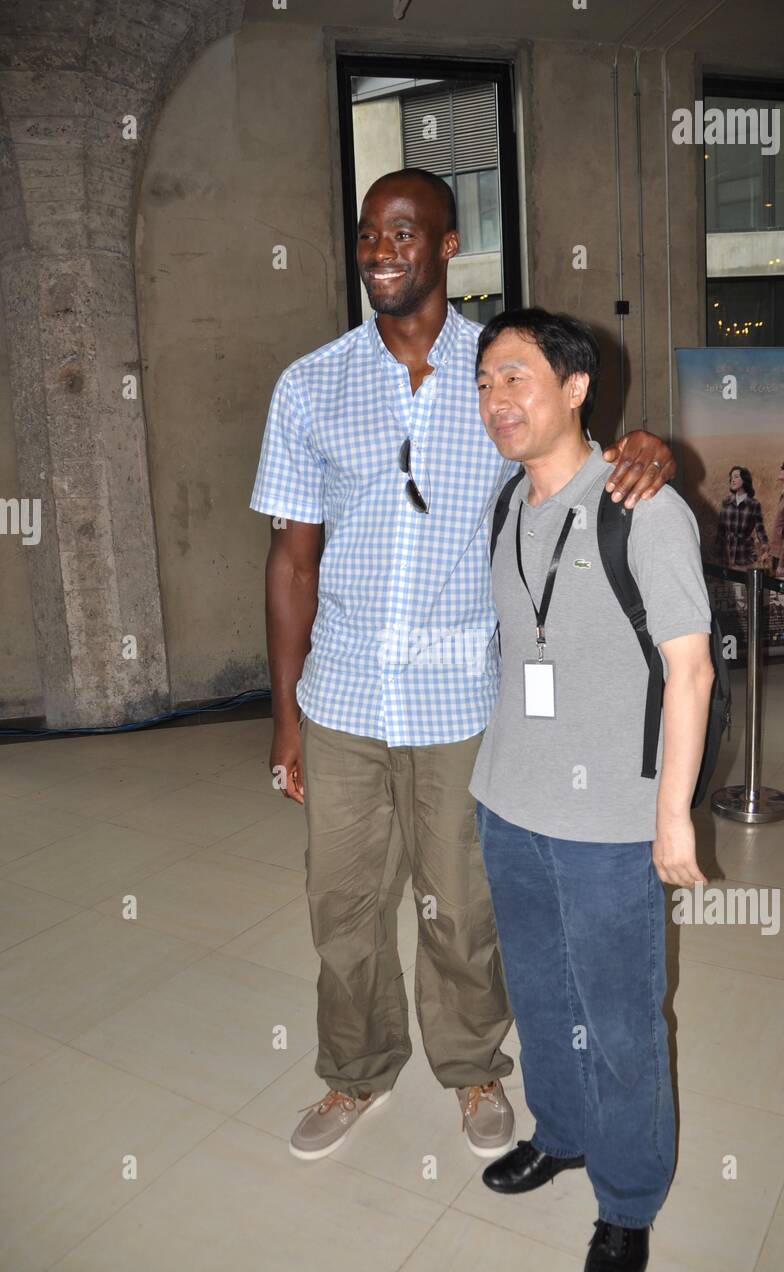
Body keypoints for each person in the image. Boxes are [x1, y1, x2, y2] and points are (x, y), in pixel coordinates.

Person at [249, 167, 678, 1164]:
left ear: (449, 244)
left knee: (461, 903)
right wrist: (283, 716)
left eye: (404, 231)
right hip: (344, 696)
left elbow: (572, 460)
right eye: (367, 234)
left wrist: (641, 447)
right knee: (343, 905)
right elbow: (290, 559)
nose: (381, 249)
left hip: (462, 700)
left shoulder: (496, 373)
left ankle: (472, 1065)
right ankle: (353, 1070)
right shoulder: (311, 384)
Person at [469, 307, 714, 1272]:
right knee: (537, 994)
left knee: (619, 1018)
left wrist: (669, 814)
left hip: (612, 820)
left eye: (516, 378)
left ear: (574, 389)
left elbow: (688, 672)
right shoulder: (503, 501)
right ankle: (560, 1135)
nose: (496, 400)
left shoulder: (641, 506)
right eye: (484, 382)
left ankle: (626, 1201)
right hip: (510, 803)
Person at [715, 466, 769, 568]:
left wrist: (765, 546)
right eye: (731, 478)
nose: (732, 480)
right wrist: (717, 552)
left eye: (736, 477)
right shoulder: (726, 502)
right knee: (728, 583)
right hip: (727, 556)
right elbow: (721, 530)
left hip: (746, 555)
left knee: (744, 583)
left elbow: (760, 529)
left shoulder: (754, 504)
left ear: (744, 480)